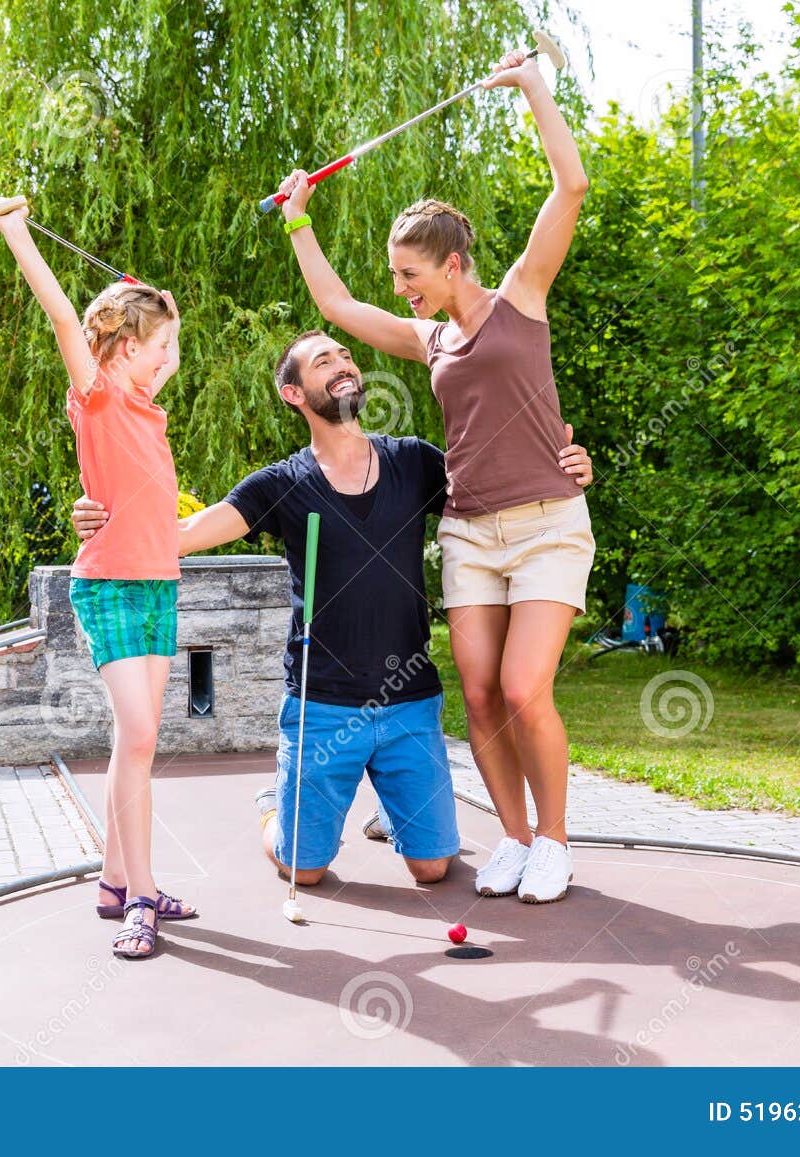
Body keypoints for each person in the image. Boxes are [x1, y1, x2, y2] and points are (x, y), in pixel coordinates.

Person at [74, 330, 593, 890]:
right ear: (293, 393)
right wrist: (104, 521)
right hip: (321, 707)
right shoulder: (281, 483)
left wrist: (564, 469)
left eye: (345, 355)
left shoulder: (415, 461)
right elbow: (180, 535)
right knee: (306, 868)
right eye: (323, 362)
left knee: (432, 868)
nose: (343, 364)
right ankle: (276, 808)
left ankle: (393, 806)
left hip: (410, 703)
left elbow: (498, 492)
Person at [272, 46, 594, 902]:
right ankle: (516, 841)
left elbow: (570, 189)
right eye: (395, 277)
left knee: (527, 686)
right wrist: (300, 218)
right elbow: (338, 309)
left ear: (452, 264)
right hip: (469, 530)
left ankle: (557, 840)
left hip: (547, 522)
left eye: (409, 274)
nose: (400, 288)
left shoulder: (524, 295)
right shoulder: (431, 340)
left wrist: (532, 89)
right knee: (482, 694)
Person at [0, 195, 195, 959]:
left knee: (134, 742)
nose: (171, 358)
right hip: (107, 585)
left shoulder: (148, 411)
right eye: (162, 345)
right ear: (123, 347)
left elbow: (163, 356)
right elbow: (68, 320)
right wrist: (17, 233)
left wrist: (164, 313)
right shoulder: (99, 397)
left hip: (158, 586)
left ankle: (114, 881)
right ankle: (141, 896)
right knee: (138, 734)